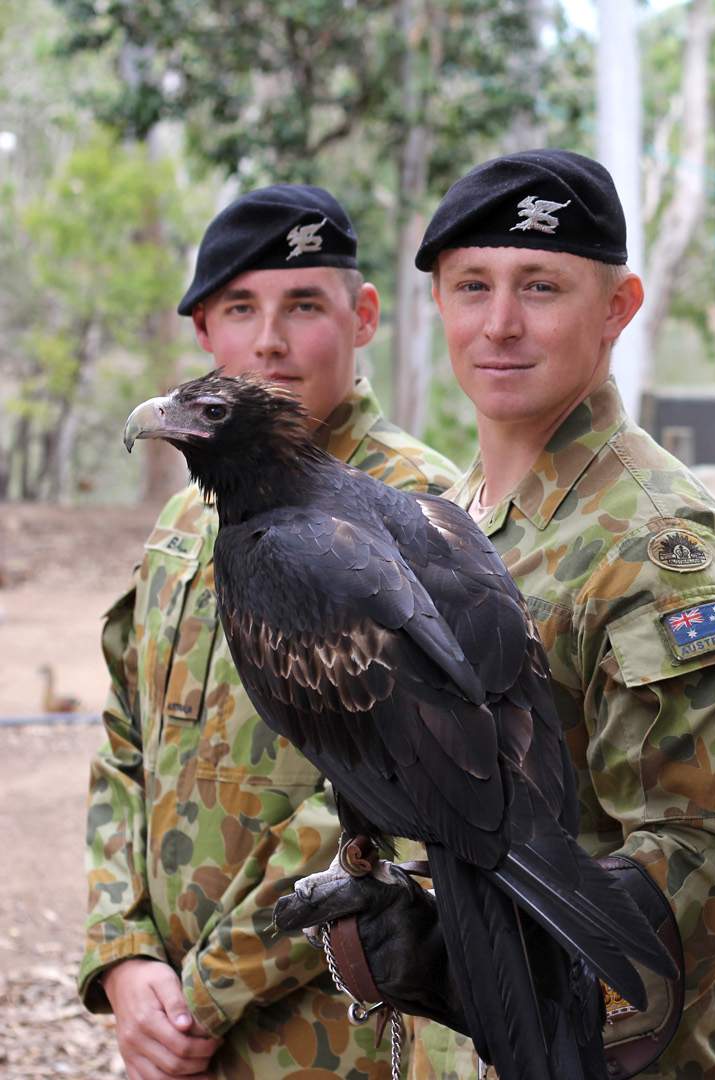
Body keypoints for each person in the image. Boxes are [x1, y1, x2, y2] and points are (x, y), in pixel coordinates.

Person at [284, 149, 715, 1079]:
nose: (500, 324)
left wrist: (482, 976)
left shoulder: (658, 545)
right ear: (438, 304)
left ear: (618, 308)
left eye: (541, 286)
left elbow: (710, 861)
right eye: (473, 286)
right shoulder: (441, 515)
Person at [81, 184, 461, 1079]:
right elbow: (124, 739)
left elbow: (396, 786)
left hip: (344, 1025)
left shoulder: (426, 511)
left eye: (304, 306)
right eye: (240, 308)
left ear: (363, 317)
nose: (271, 342)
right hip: (178, 1021)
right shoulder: (186, 516)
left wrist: (206, 993)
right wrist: (125, 953)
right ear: (205, 332)